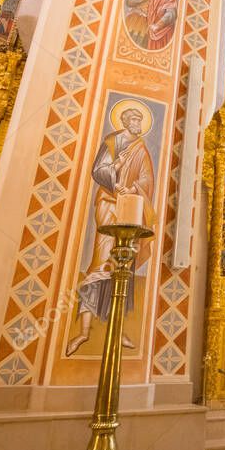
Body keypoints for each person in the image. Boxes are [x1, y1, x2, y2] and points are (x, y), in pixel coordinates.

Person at [67, 106, 155, 356]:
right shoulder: (113, 141)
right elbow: (99, 170)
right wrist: (117, 183)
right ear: (126, 121)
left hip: (130, 208)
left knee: (123, 266)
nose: (138, 123)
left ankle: (118, 329)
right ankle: (83, 331)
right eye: (134, 119)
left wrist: (135, 189)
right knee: (100, 263)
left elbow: (147, 179)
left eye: (140, 119)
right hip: (108, 203)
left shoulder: (142, 148)